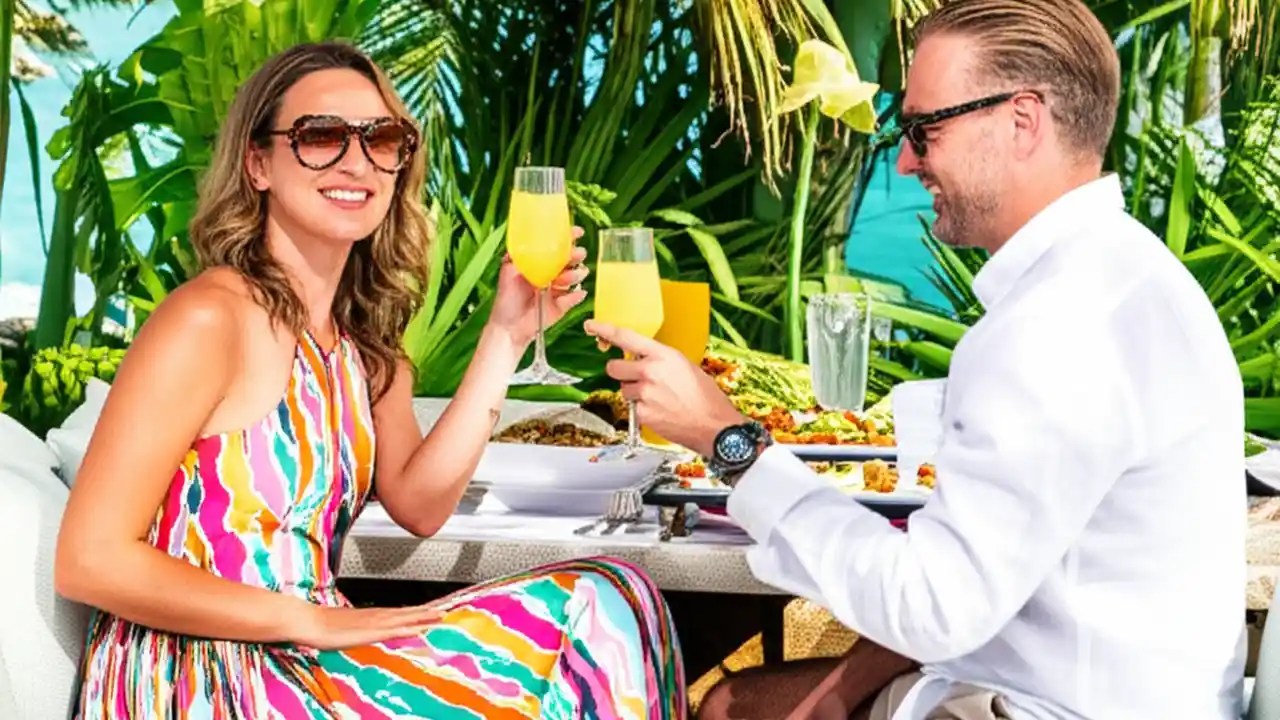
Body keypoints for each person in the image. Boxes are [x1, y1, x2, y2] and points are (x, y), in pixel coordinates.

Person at [586, 0, 1246, 718]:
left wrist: (730, 443)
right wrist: (846, 685)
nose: (905, 161)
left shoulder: (1053, 327)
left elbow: (931, 606)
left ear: (1023, 120)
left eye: (924, 130)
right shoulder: (1130, 275)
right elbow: (977, 577)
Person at [54, 40, 686, 719]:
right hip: (200, 674)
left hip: (310, 654)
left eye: (383, 138)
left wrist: (506, 337)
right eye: (320, 136)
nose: (357, 161)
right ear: (257, 163)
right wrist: (308, 621)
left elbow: (420, 504)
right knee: (596, 610)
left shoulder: (360, 349)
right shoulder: (208, 319)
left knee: (619, 595)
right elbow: (90, 559)